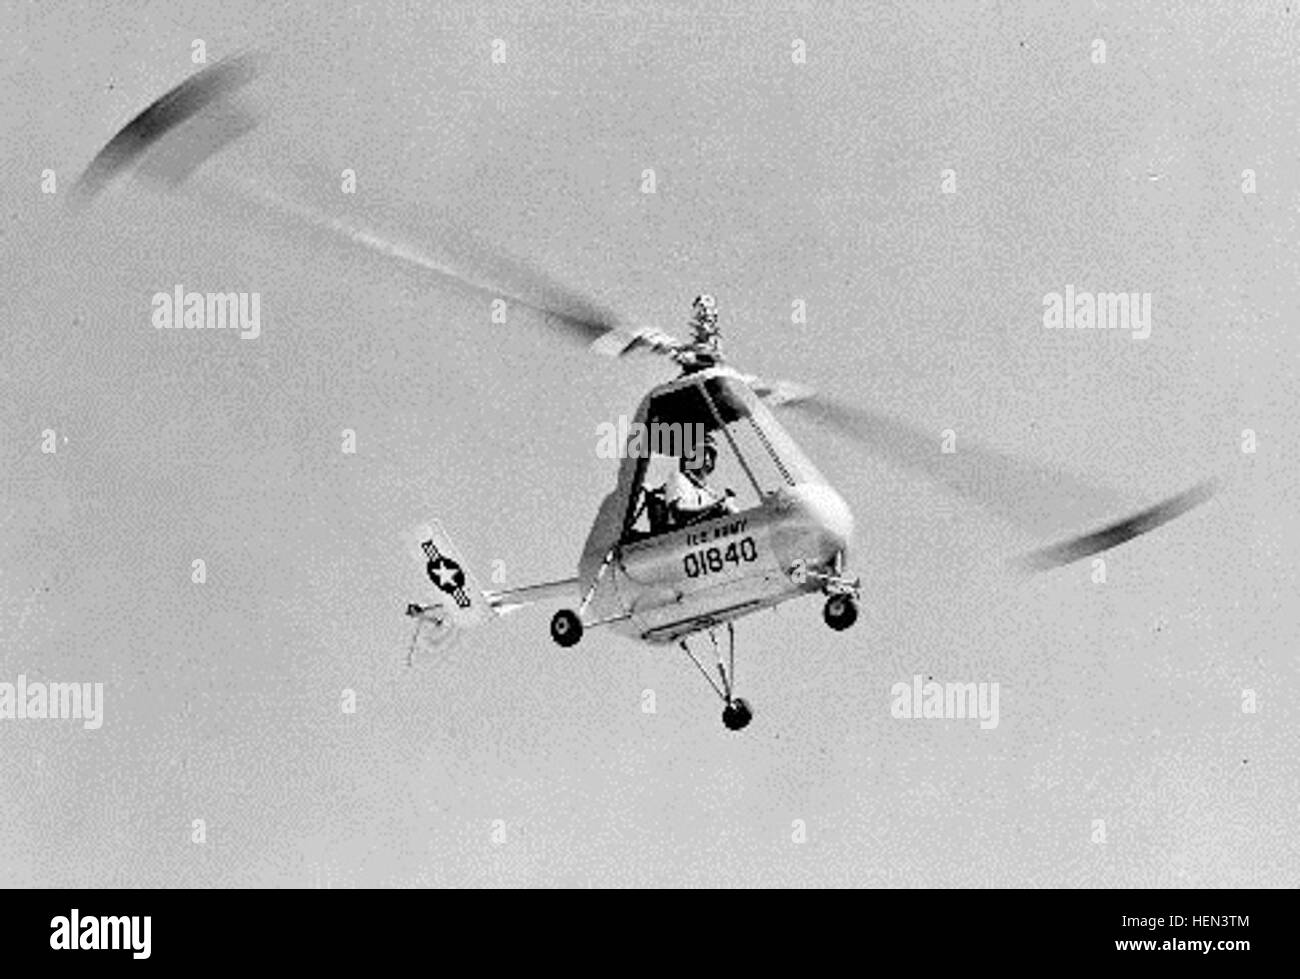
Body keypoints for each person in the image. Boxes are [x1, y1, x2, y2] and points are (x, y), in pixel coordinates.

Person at [665, 439, 736, 526]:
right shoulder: (679, 478)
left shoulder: (710, 492)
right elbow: (679, 512)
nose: (707, 458)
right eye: (702, 454)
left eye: (710, 455)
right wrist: (713, 507)